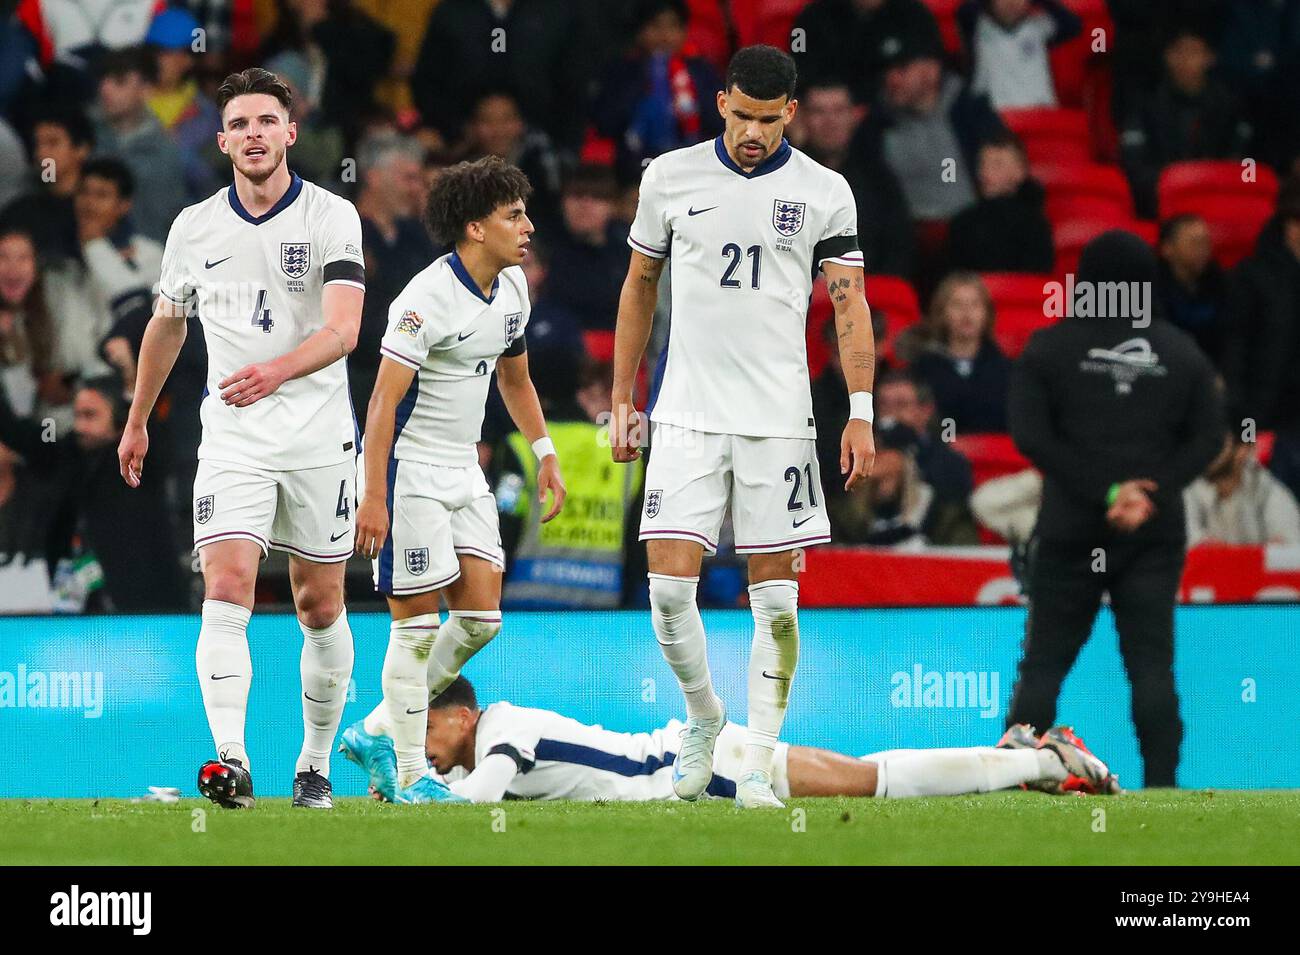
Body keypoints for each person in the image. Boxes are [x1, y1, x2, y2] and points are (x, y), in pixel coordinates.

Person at [610, 46, 876, 809]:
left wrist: (859, 413)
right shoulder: (668, 175)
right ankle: (705, 717)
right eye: (742, 115)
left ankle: (756, 763)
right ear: (721, 101)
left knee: (778, 605)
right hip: (686, 414)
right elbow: (639, 284)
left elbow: (851, 306)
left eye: (768, 119)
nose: (754, 132)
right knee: (666, 592)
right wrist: (625, 396)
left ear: (789, 112)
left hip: (778, 422)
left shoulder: (825, 192)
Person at [117, 68, 368, 811]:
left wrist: (277, 371)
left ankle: (314, 767)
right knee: (225, 585)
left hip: (321, 437)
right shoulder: (194, 227)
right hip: (233, 437)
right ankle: (232, 760)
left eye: (268, 120)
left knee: (319, 604)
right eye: (240, 123)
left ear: (291, 132)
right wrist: (137, 417)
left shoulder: (332, 216)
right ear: (221, 138)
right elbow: (167, 324)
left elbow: (345, 329)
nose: (254, 134)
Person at [341, 155, 567, 805]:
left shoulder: (514, 289)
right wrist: (375, 494)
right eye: (513, 215)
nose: (527, 226)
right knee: (414, 628)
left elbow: (514, 377)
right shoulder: (423, 301)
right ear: (474, 227)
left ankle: (379, 728)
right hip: (410, 469)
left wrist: (545, 450)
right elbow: (381, 404)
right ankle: (411, 772)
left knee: (479, 617)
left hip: (466, 468)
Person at [1006, 229, 1224, 788]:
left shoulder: (1048, 349)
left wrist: (1105, 491)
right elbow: (1209, 440)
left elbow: (1031, 437)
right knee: (1151, 669)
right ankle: (1162, 789)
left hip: (1072, 528)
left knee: (1043, 667)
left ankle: (1011, 777)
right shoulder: (1181, 353)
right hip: (1151, 534)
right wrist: (1149, 492)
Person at [347, 676, 1119, 803]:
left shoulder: (503, 731)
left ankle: (1036, 760)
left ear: (457, 715)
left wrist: (408, 783)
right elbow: (462, 793)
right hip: (693, 756)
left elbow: (477, 796)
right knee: (866, 777)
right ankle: (1027, 759)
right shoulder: (498, 731)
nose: (429, 748)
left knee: (866, 782)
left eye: (424, 730)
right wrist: (410, 786)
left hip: (703, 766)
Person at [0, 374, 188, 612]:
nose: (79, 426)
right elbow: (16, 434)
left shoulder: (143, 459)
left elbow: (156, 432)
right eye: (77, 415)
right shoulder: (69, 454)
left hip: (151, 610)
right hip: (85, 612)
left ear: (121, 420)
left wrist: (132, 385)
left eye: (90, 415)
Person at [858, 39, 1006, 224]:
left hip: (975, 233)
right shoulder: (873, 127)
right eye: (887, 71)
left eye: (902, 69)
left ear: (931, 71)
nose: (892, 79)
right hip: (908, 240)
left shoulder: (971, 112)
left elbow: (1005, 172)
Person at [1120, 27, 1252, 219]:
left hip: (1218, 198)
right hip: (1163, 204)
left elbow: (1245, 160)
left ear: (1210, 58)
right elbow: (1134, 167)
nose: (1186, 60)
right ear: (1166, 56)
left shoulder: (1230, 107)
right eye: (1178, 51)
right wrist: (1177, 182)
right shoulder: (1145, 106)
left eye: (1194, 52)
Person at [351, 132, 436, 424]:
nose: (417, 189)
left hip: (412, 377)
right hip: (355, 381)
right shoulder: (343, 230)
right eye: (408, 179)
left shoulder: (418, 237)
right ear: (374, 177)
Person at [1224, 178, 1300, 504]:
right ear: (1291, 225)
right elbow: (1235, 353)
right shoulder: (1253, 276)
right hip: (1269, 420)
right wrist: (1244, 426)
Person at [592, 0, 724, 183]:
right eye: (655, 26)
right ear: (639, 31)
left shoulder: (701, 71)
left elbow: (718, 121)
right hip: (634, 168)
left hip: (691, 167)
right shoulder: (622, 71)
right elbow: (606, 123)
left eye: (673, 26)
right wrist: (646, 81)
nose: (664, 36)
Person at [796, 80, 914, 277]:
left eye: (839, 111)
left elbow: (899, 250)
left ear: (855, 116)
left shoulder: (879, 180)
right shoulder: (785, 175)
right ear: (801, 118)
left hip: (867, 296)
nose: (830, 122)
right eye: (818, 112)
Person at [91, 47, 190, 242]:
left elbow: (161, 223)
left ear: (146, 89)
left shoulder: (165, 153)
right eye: (103, 79)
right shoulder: (83, 131)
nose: (105, 89)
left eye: (119, 81)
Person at [829, 420, 978, 546]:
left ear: (906, 459)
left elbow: (965, 559)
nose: (873, 457)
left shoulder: (939, 512)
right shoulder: (844, 514)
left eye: (882, 449)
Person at [909, 272, 1012, 434]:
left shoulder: (1007, 370)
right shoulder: (921, 368)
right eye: (957, 304)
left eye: (975, 304)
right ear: (942, 313)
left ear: (987, 313)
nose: (967, 313)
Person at [792, 0, 945, 105]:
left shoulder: (915, 14)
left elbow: (933, 66)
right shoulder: (810, 19)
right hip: (833, 113)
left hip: (896, 112)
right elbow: (795, 73)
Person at [945, 132, 1054, 275]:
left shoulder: (1036, 225)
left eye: (997, 164)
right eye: (982, 164)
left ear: (1020, 171)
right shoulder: (961, 223)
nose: (985, 173)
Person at [540, 164, 630, 331]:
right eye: (577, 195)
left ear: (613, 207)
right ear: (562, 203)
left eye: (597, 197)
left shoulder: (629, 252)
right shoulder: (542, 248)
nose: (585, 204)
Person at [0, 105, 93, 265]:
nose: (42, 154)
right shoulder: (18, 212)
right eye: (38, 144)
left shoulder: (96, 210)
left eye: (52, 143)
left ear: (81, 149)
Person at [958, 0, 1082, 110]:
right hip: (995, 122)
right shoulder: (976, 26)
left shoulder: (1039, 26)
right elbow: (964, 11)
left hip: (1040, 115)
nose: (1011, 3)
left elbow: (1074, 25)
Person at [1184, 429, 1300, 547]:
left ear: (1243, 449)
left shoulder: (1270, 493)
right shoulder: (1188, 488)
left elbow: (1289, 552)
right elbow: (1184, 542)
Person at [1155, 213, 1228, 367]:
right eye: (1194, 243)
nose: (1202, 250)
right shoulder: (1152, 287)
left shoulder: (1220, 282)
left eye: (1205, 243)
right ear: (1167, 248)